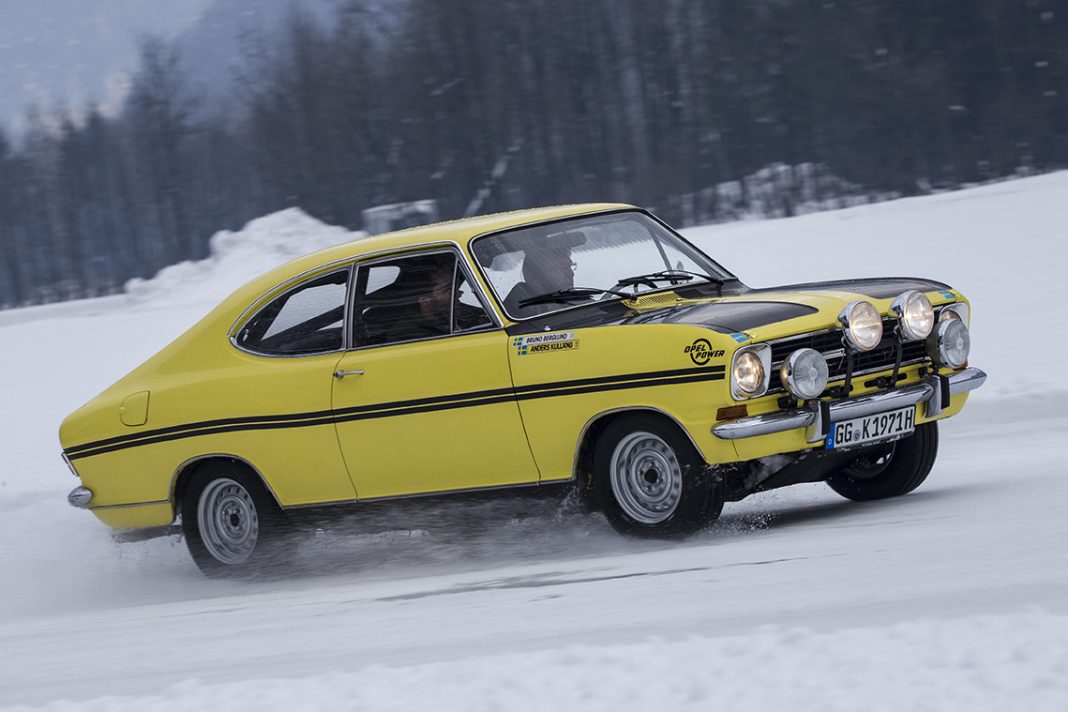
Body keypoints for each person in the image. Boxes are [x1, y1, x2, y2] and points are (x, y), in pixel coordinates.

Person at [503, 231, 584, 317]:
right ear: (536, 276)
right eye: (558, 268)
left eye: (569, 266)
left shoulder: (569, 300)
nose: (570, 274)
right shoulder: (525, 312)